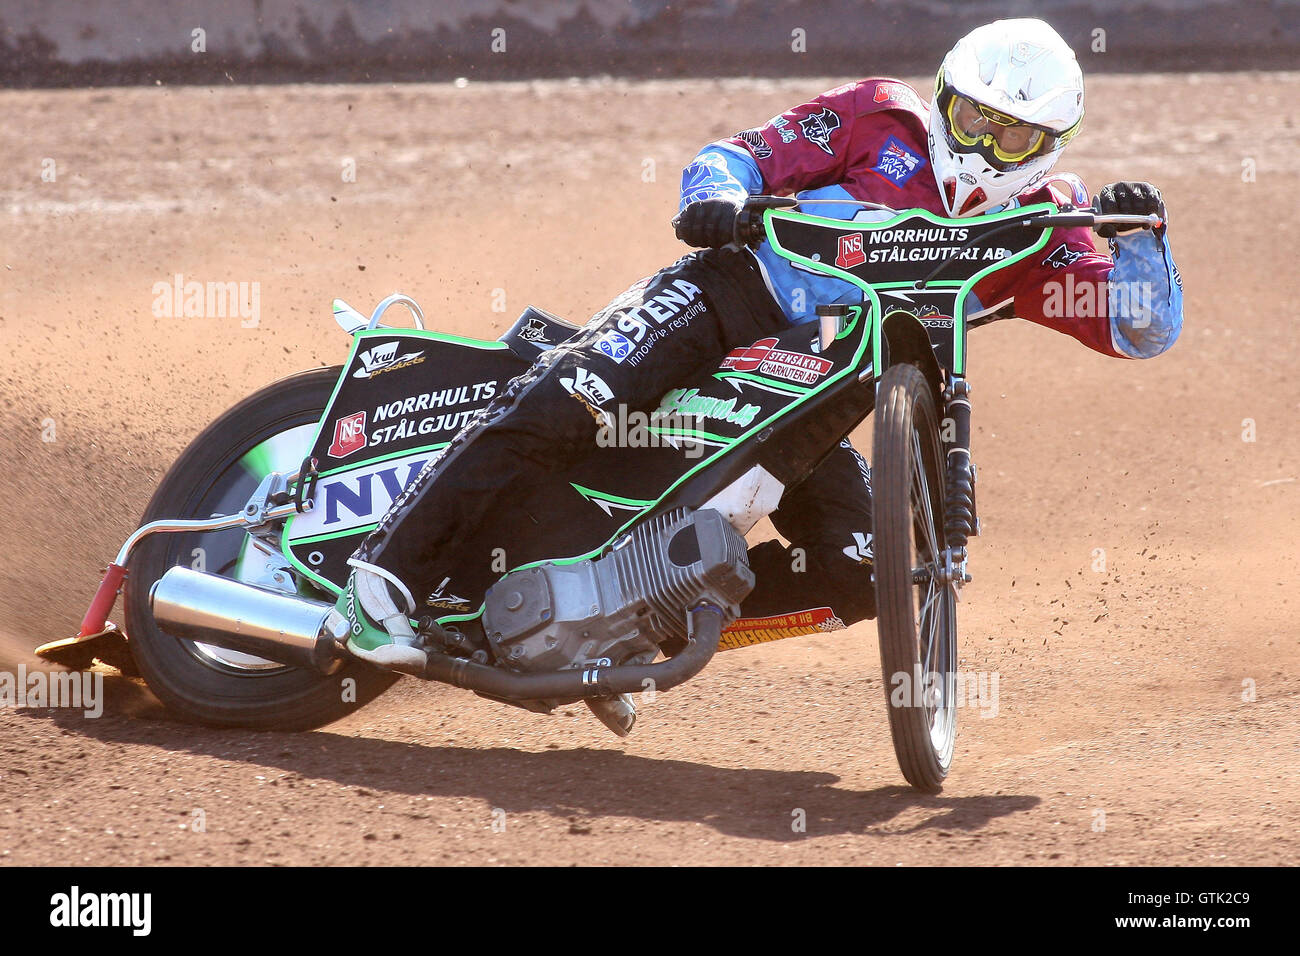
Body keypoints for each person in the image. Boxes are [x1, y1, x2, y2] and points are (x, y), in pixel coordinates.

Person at [334, 18, 1184, 697]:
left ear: (1053, 147)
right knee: (579, 394)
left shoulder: (1044, 223)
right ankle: (383, 582)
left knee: (867, 574)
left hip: (824, 399)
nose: (984, 148)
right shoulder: (876, 114)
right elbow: (738, 154)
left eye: (1014, 139)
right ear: (942, 99)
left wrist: (1144, 238)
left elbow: (1138, 328)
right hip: (730, 299)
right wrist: (714, 200)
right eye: (972, 119)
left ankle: (632, 623)